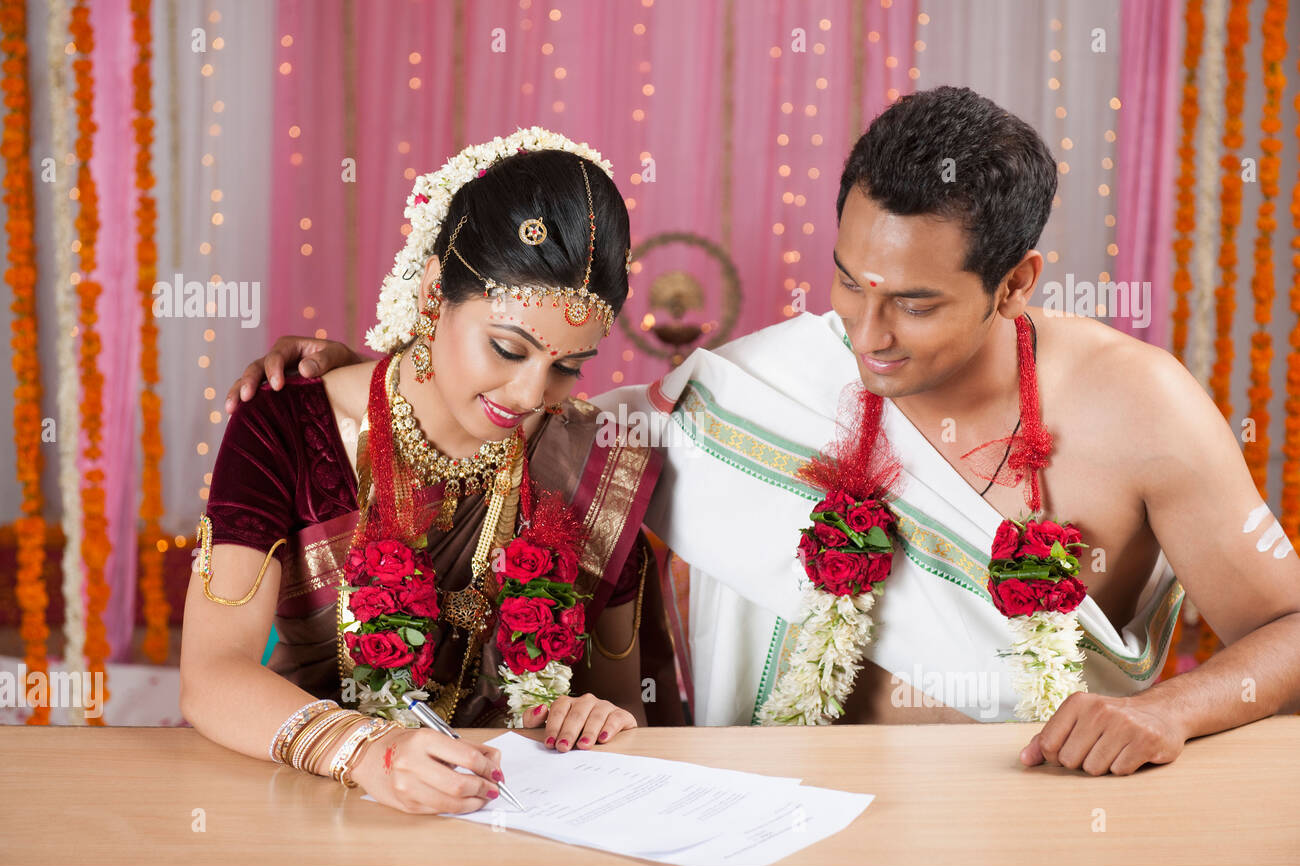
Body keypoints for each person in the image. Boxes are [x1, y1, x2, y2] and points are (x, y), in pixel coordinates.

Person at [231, 89, 1300, 777]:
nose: (867, 334)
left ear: (1015, 283)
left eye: (914, 303)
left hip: (1039, 825)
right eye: (848, 281)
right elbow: (546, 421)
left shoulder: (1138, 406)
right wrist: (376, 372)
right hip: (788, 818)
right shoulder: (773, 383)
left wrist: (1174, 709)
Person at [183, 131, 682, 818]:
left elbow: (626, 712)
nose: (531, 394)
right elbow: (211, 675)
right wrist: (368, 753)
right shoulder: (288, 426)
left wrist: (595, 717)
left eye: (567, 366)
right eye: (507, 348)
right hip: (320, 807)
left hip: (512, 816)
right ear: (430, 294)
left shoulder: (593, 461)